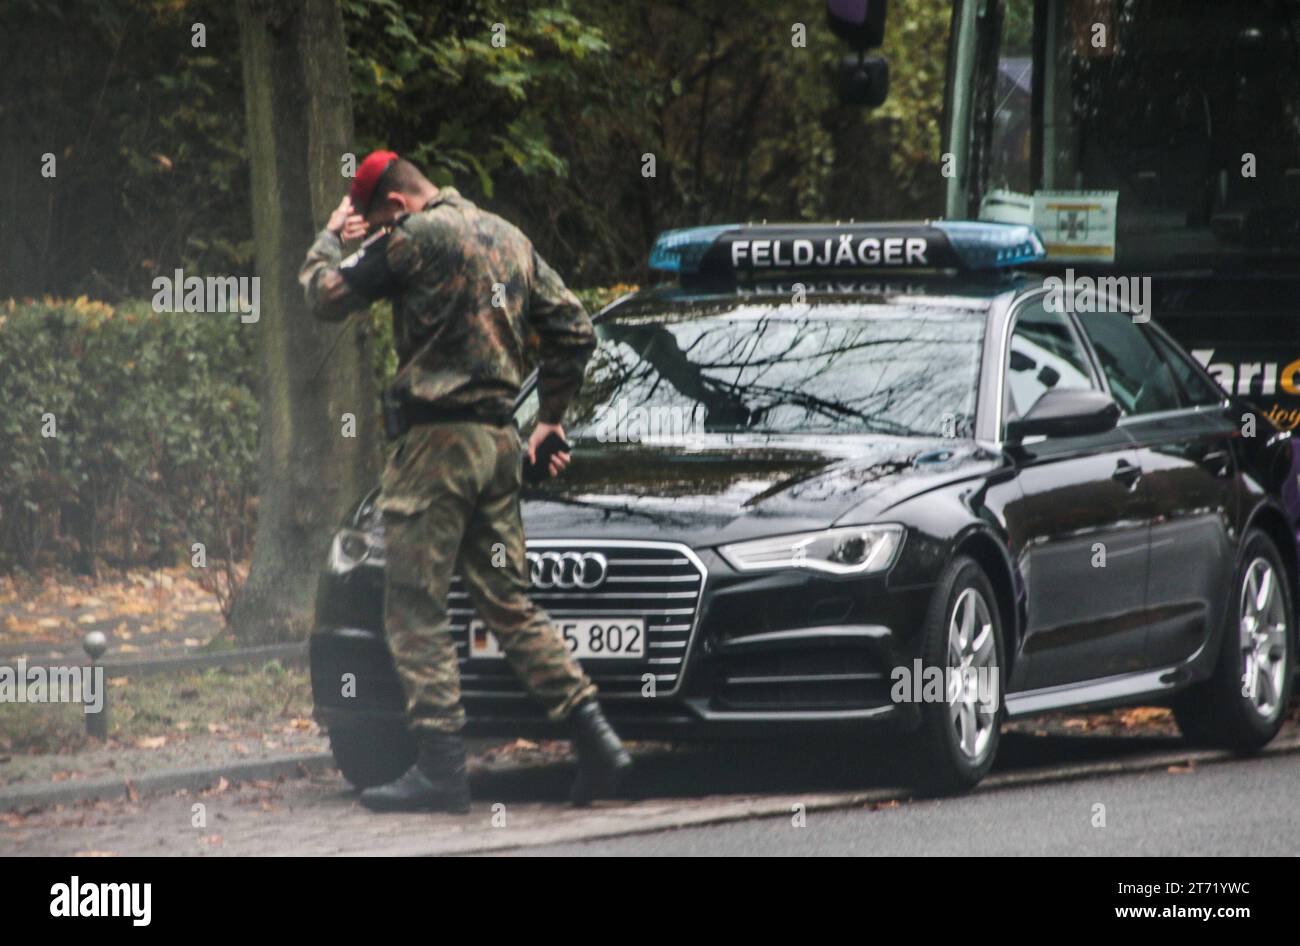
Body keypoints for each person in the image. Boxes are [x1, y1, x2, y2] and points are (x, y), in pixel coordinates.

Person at [299, 150, 631, 812]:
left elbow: (325, 295)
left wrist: (334, 238)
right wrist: (550, 422)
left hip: (435, 448)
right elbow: (575, 330)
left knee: (415, 605)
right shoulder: (510, 236)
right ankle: (597, 741)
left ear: (393, 206)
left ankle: (442, 769)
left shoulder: (413, 238)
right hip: (498, 446)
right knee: (509, 605)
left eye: (375, 218)